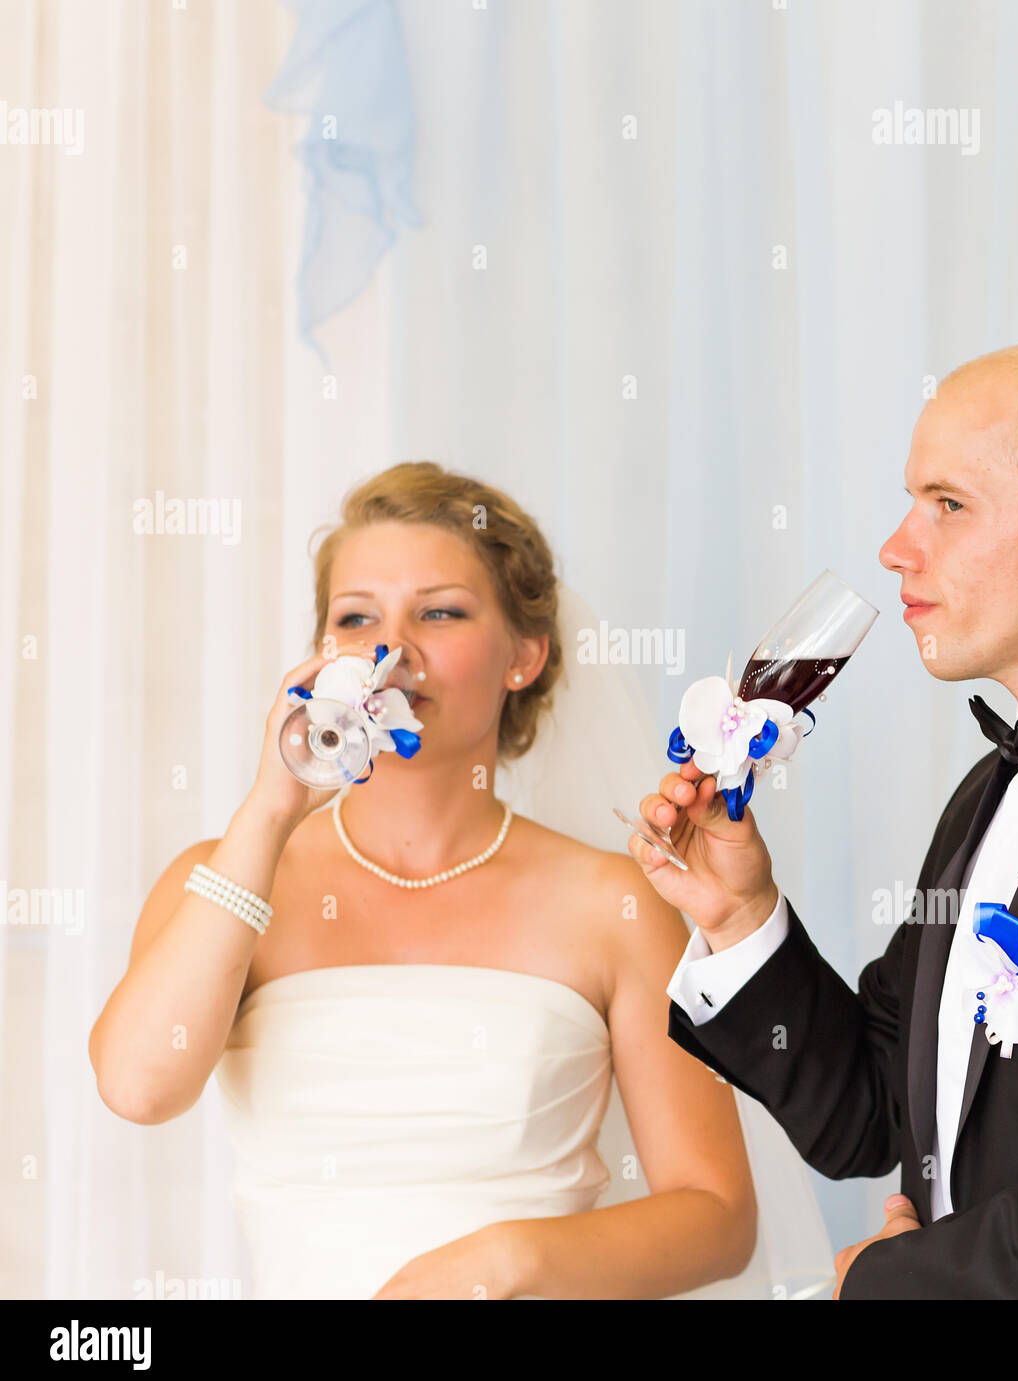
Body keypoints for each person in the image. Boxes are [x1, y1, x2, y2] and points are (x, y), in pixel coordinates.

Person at [629, 340, 1018, 1299]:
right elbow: (872, 1119)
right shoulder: (990, 787)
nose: (895, 547)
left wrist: (881, 1285)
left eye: (947, 504)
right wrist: (737, 916)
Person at [89, 462, 789, 1300]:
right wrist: (273, 808)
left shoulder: (618, 903)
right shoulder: (227, 875)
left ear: (522, 656)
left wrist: (505, 1261)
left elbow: (715, 1215)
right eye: (357, 618)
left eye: (441, 612)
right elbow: (138, 1088)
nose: (393, 650)